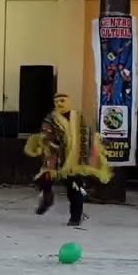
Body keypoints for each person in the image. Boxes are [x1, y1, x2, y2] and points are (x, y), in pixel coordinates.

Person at [24, 93, 111, 227]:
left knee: (75, 188)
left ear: (69, 102)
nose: (60, 104)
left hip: (76, 160)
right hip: (56, 156)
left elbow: (87, 133)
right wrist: (50, 143)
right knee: (44, 178)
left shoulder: (78, 116)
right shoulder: (51, 118)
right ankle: (47, 197)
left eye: (63, 101)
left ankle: (75, 217)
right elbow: (46, 134)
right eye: (57, 101)